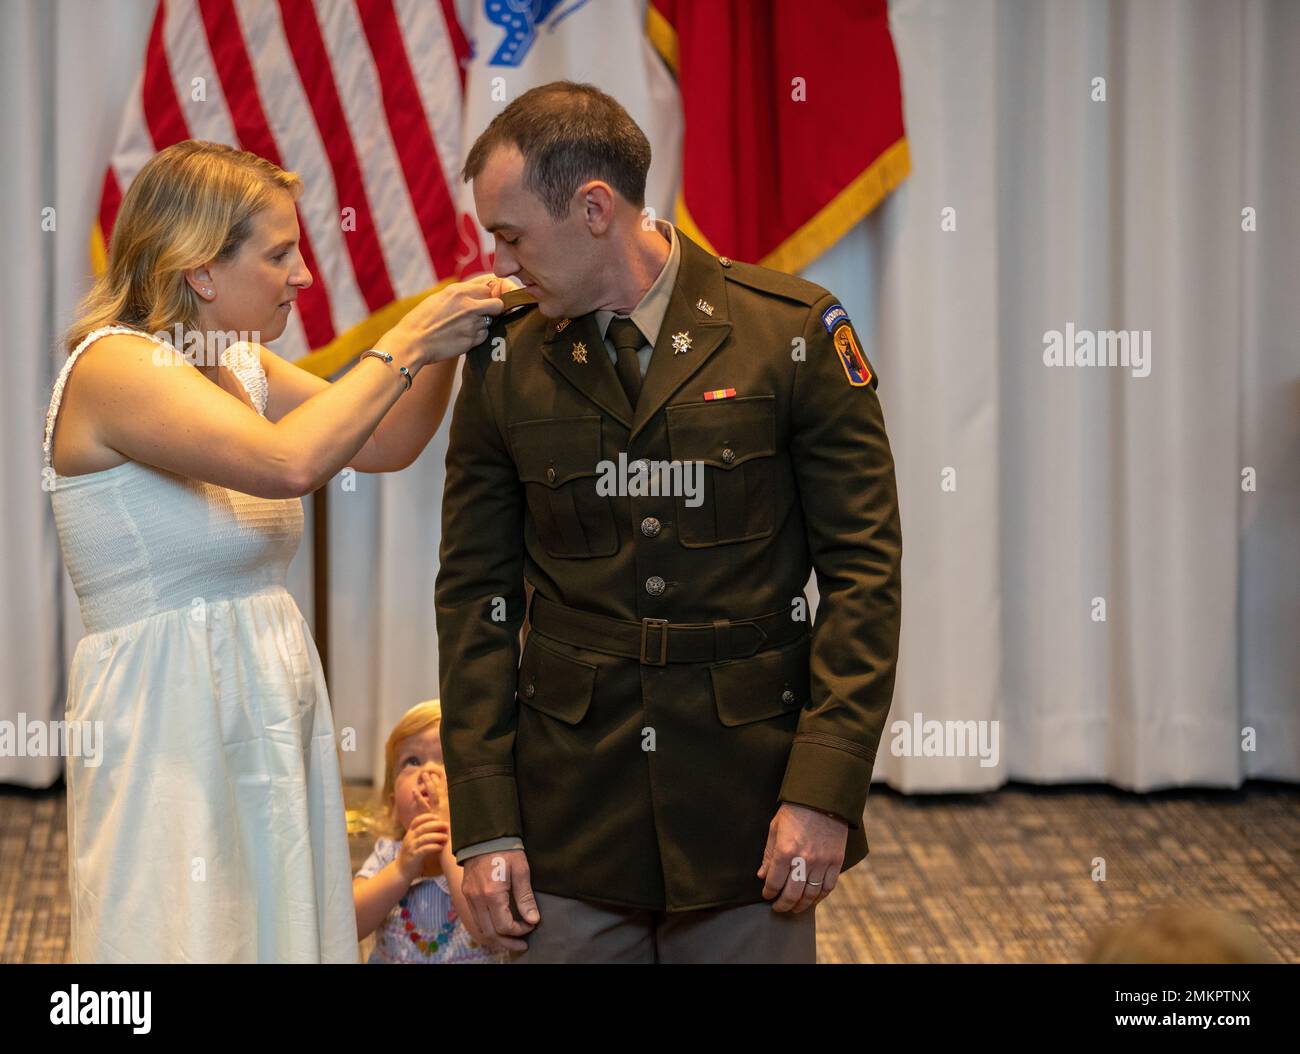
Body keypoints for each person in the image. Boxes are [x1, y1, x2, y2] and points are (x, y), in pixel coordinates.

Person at [435, 82, 903, 963]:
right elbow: (474, 599)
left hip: (751, 807)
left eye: (510, 233)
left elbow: (865, 579)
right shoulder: (505, 357)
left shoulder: (792, 335)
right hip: (570, 811)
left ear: (595, 208)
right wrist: (486, 824)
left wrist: (825, 792)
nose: (497, 261)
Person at [46, 139, 502, 962]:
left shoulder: (242, 367)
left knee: (273, 930)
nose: (303, 277)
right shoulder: (113, 367)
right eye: (281, 253)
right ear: (200, 269)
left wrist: (447, 331)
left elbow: (388, 437)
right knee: (175, 934)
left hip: (264, 695)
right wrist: (407, 339)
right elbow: (290, 463)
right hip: (166, 720)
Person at [353, 700, 510, 963]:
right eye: (412, 761)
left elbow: (487, 931)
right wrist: (401, 871)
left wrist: (449, 842)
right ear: (393, 804)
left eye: (447, 760)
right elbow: (349, 924)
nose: (429, 771)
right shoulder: (388, 853)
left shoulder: (483, 855)